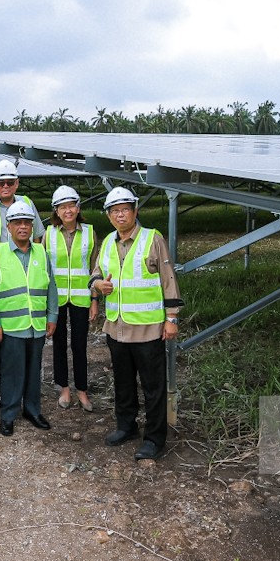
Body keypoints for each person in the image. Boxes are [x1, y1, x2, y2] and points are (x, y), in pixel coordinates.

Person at [90, 187, 183, 461]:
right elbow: (95, 274)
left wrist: (172, 318)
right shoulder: (107, 242)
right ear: (109, 216)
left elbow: (168, 279)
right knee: (123, 382)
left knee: (153, 386)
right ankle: (126, 426)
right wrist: (98, 285)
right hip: (116, 327)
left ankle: (154, 439)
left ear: (135, 211)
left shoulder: (152, 239)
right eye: (114, 211)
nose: (120, 215)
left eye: (125, 209)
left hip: (147, 328)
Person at [0, 200, 57, 437]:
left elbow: (51, 289)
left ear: (33, 227)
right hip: (12, 327)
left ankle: (32, 410)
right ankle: (8, 414)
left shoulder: (41, 254)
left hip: (36, 325)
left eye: (27, 222)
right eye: (18, 223)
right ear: (9, 226)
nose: (23, 227)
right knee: (12, 372)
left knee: (34, 371)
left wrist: (52, 316)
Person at [0, 158, 44, 394]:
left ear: (17, 183)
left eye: (10, 182)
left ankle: (17, 377)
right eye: (1, 182)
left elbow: (37, 238)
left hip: (21, 273)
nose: (5, 186)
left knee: (16, 327)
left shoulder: (26, 203)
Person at [45, 185, 97, 412]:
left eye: (71, 206)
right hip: (57, 298)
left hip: (81, 298)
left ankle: (82, 390)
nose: (67, 211)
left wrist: (95, 299)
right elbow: (45, 269)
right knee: (58, 344)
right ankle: (64, 387)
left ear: (78, 208)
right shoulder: (48, 234)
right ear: (56, 210)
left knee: (79, 344)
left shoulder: (90, 232)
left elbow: (96, 268)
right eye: (62, 207)